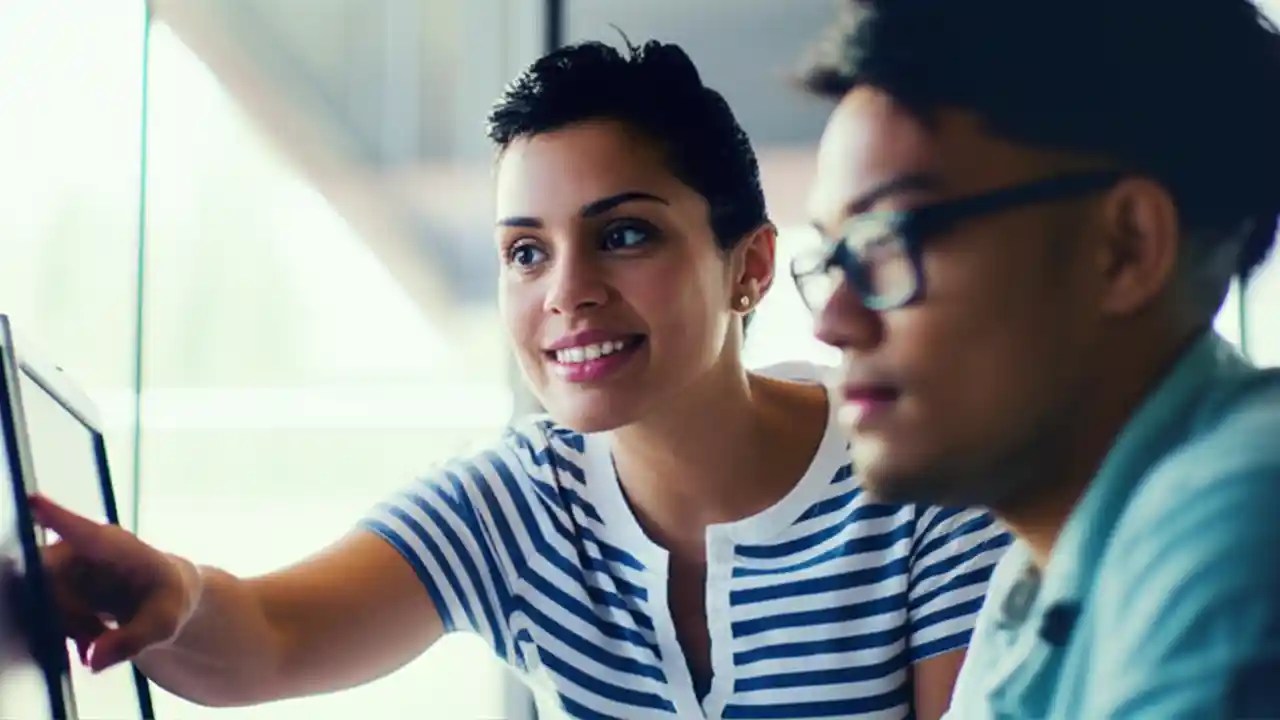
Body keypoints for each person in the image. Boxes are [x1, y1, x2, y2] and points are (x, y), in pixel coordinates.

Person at [29, 39, 1010, 720]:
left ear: (749, 265)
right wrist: (176, 595)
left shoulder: (921, 487)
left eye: (623, 235)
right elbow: (274, 635)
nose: (566, 293)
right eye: (524, 253)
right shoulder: (518, 500)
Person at [793, 0, 1280, 717]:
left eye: (891, 239)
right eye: (834, 258)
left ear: (1125, 247)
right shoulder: (1037, 569)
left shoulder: (1243, 517)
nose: (834, 323)